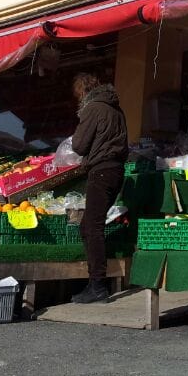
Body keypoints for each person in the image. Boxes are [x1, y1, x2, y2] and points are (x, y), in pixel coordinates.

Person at [69, 72, 129, 303]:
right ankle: (95, 282)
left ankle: (98, 285)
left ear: (83, 92)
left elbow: (79, 144)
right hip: (116, 170)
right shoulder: (116, 109)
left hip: (101, 170)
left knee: (92, 227)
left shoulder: (93, 108)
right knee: (89, 225)